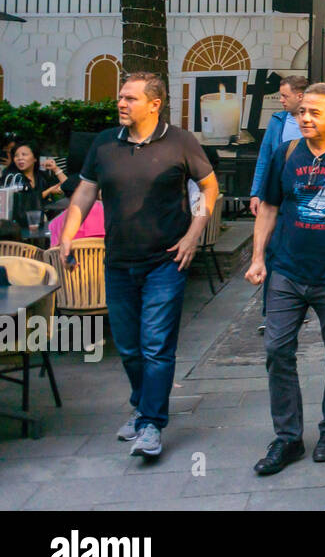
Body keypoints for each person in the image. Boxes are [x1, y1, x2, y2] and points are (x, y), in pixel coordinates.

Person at [59, 73, 218, 459]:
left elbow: (210, 187)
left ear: (154, 104)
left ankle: (151, 424)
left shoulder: (180, 141)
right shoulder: (104, 143)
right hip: (117, 262)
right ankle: (142, 404)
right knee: (129, 348)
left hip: (166, 261)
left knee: (156, 346)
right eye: (120, 97)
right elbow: (86, 190)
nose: (121, 103)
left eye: (130, 97)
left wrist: (195, 232)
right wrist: (68, 233)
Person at [245, 83, 325, 475]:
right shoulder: (285, 153)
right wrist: (257, 258)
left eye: (315, 112)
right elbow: (268, 208)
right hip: (286, 271)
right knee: (277, 350)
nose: (305, 118)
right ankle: (287, 437)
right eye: (301, 112)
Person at [250, 75, 308, 218]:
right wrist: (256, 193)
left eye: (284, 96)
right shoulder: (277, 121)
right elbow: (264, 158)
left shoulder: (315, 123)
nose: (281, 100)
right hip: (280, 189)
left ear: (299, 96)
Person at [3, 142, 67, 229]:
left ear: (34, 158)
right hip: (22, 224)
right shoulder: (12, 177)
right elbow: (24, 201)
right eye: (16, 156)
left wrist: (55, 169)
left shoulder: (41, 176)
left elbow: (67, 186)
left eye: (24, 154)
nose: (20, 158)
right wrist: (49, 191)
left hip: (46, 221)